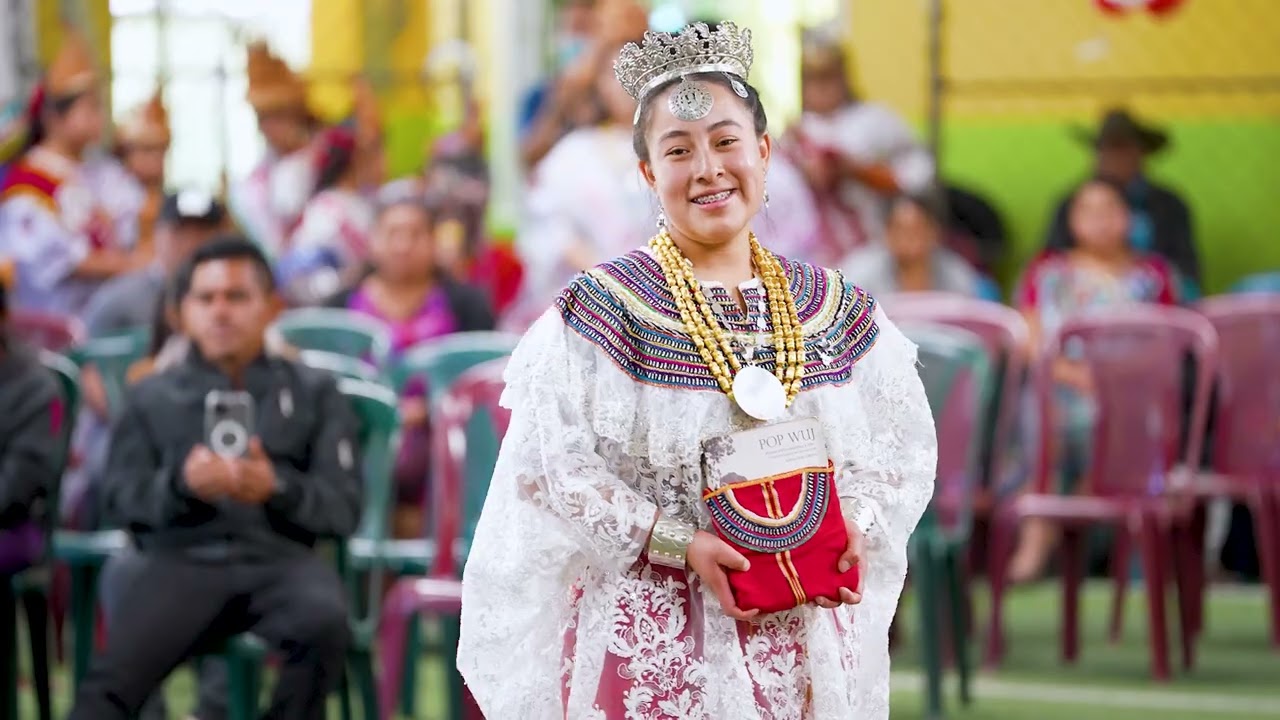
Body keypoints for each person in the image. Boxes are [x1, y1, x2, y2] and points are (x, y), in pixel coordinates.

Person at [457, 22, 936, 719]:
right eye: (678, 150)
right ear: (649, 173)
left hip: (798, 631)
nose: (708, 168)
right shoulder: (600, 311)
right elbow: (551, 471)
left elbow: (900, 443)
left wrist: (855, 523)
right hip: (656, 641)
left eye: (726, 141)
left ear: (764, 153)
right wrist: (680, 544)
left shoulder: (834, 308)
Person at [68, 237, 362, 720]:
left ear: (271, 307)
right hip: (180, 560)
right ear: (182, 312)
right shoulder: (151, 395)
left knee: (325, 627)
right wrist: (182, 486)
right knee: (108, 688)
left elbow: (344, 506)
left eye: (237, 297)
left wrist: (277, 487)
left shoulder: (315, 391)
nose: (220, 312)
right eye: (206, 299)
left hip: (282, 560)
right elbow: (119, 501)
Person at [1008, 177, 1180, 583]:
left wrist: (1112, 381)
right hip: (1060, 391)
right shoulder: (1047, 272)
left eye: (1110, 210)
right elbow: (1029, 341)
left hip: (1130, 397)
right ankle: (1042, 531)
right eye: (1089, 211)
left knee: (1120, 418)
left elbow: (1168, 343)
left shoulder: (1153, 276)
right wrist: (1073, 374)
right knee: (1041, 405)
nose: (1100, 220)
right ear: (1073, 220)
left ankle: (1058, 530)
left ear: (1129, 218)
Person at [327, 193, 494, 536]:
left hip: (445, 436)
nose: (403, 245)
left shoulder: (468, 303)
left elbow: (487, 377)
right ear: (372, 242)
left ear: (434, 242)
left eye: (415, 234)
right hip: (361, 435)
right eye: (392, 233)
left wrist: (430, 409)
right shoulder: (339, 304)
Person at [0, 28, 138, 315]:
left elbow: (134, 219)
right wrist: (128, 265)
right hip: (54, 322)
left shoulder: (104, 172)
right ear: (53, 117)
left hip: (111, 312)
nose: (100, 119)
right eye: (90, 108)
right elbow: (48, 261)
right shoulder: (28, 183)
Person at [784, 28, 936, 266]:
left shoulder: (875, 119)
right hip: (817, 250)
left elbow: (918, 170)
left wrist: (862, 172)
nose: (821, 88)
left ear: (844, 78)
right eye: (813, 79)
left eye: (828, 78)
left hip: (873, 240)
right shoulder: (795, 132)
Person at [1043, 108, 1199, 294]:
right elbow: (1053, 258)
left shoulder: (1169, 205)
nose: (1115, 158)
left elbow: (1186, 266)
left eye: (1123, 148)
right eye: (1109, 148)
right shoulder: (1071, 202)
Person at [83, 190, 226, 336]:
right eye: (180, 230)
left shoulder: (231, 301)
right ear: (156, 233)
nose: (192, 242)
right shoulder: (119, 301)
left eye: (203, 231)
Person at [229, 41, 318, 258]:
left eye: (278, 117)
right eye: (263, 119)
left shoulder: (324, 159)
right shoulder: (255, 180)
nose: (269, 128)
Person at [840, 191, 991, 299]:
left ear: (934, 232)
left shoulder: (956, 274)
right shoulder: (859, 273)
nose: (910, 238)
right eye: (901, 229)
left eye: (918, 229)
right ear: (887, 233)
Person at [112, 90, 171, 264]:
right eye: (147, 150)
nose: (156, 159)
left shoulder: (164, 197)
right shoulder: (113, 196)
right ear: (127, 153)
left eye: (162, 150)